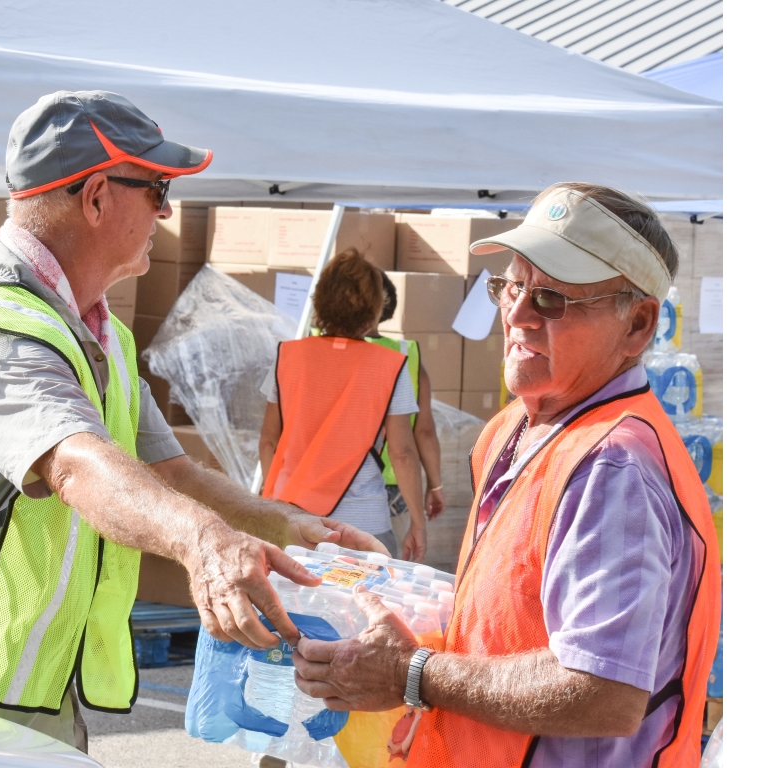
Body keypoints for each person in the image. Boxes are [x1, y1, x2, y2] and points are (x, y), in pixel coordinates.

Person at [0, 90, 383, 751]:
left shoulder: (99, 336)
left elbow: (171, 472)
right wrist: (204, 543)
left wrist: (287, 523)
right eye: (159, 188)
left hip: (15, 708)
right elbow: (78, 463)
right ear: (97, 197)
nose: (168, 212)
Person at [292, 183, 721, 767]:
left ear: (638, 326)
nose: (517, 315)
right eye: (511, 285)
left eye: (552, 299)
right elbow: (514, 609)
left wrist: (412, 673)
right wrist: (390, 580)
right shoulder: (515, 427)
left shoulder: (613, 466)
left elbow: (603, 691)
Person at [259, 249, 427, 561]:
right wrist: (418, 523)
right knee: (366, 607)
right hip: (363, 524)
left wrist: (273, 505)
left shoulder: (288, 356)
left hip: (295, 516)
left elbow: (269, 440)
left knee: (291, 608)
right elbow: (402, 454)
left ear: (320, 300)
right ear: (375, 307)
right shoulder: (390, 366)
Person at [366, 271, 446, 523]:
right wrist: (434, 486)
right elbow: (424, 432)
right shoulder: (405, 356)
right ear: (385, 302)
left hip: (316, 484)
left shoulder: (313, 348)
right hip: (389, 483)